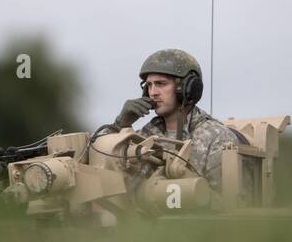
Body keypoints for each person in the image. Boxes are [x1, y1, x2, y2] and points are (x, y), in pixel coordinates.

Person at [92, 48, 242, 190]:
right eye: (149, 86)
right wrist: (119, 124)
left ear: (186, 88)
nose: (153, 92)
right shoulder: (145, 135)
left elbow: (226, 206)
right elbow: (93, 159)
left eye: (161, 84)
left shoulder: (216, 138)